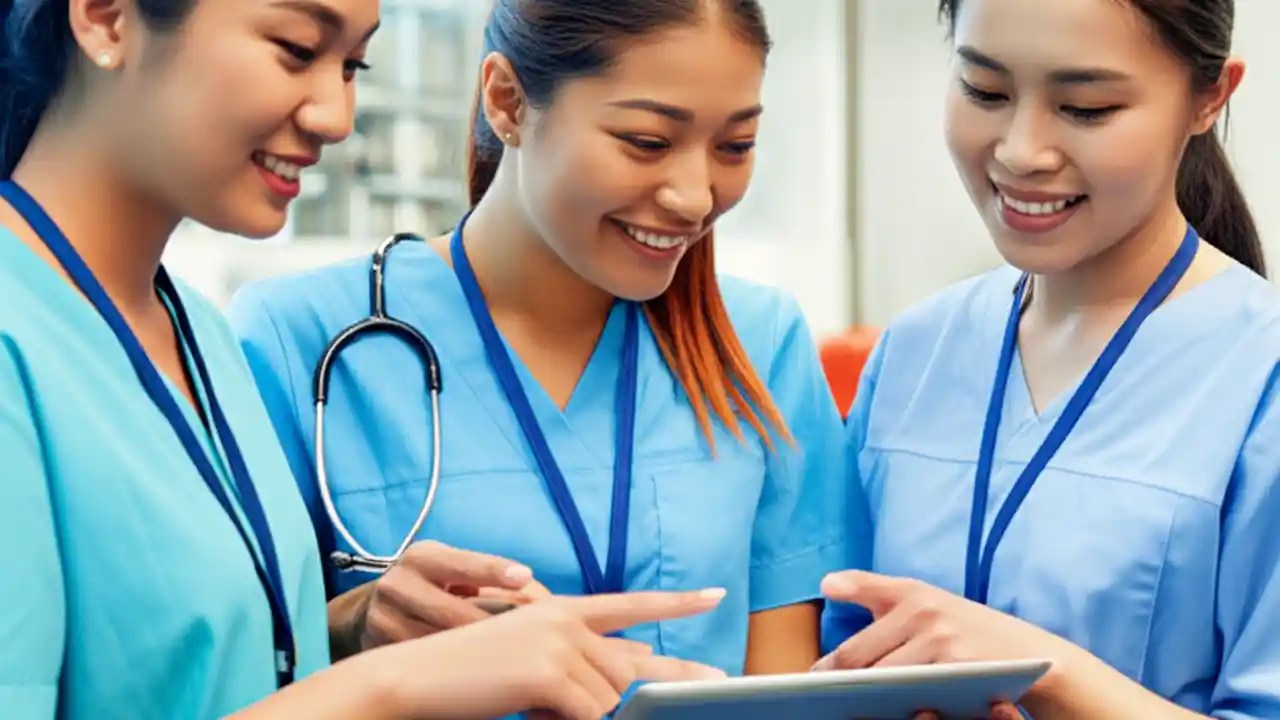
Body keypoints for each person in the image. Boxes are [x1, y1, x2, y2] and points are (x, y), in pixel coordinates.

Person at [0, 0, 728, 717]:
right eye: (294, 48)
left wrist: (358, 628)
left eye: (353, 65)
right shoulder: (20, 338)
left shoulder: (196, 335)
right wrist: (390, 686)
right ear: (104, 18)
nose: (335, 118)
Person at [228, 0, 861, 682]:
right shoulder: (297, 340)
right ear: (506, 101)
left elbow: (784, 690)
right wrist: (351, 626)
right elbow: (232, 669)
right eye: (647, 141)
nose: (694, 196)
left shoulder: (761, 345)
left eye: (734, 146)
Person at [817, 0, 1280, 718]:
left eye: (1086, 107)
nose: (1021, 150)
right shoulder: (914, 354)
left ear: (1210, 97)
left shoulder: (1261, 377)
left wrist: (1051, 676)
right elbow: (832, 668)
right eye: (986, 93)